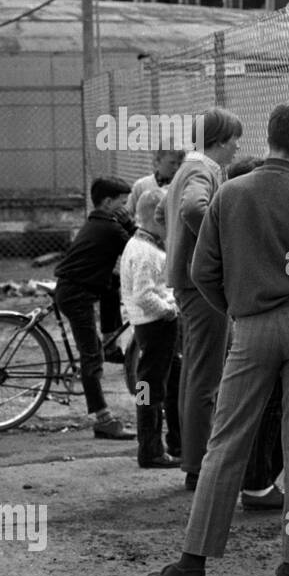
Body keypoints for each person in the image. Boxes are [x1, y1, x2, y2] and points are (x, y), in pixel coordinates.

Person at [146, 100, 289, 576]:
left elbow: (201, 271)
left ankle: (193, 563)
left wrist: (237, 308)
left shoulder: (230, 192)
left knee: (226, 441)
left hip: (249, 327)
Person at [161, 107, 242, 491]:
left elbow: (165, 212)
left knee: (197, 370)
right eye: (233, 140)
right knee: (206, 376)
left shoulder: (185, 169)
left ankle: (193, 458)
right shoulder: (203, 169)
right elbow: (194, 208)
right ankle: (198, 464)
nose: (238, 147)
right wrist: (219, 245)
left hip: (188, 283)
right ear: (219, 141)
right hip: (202, 286)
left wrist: (182, 246)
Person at [53, 176, 136, 440]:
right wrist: (130, 224)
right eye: (122, 204)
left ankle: (109, 342)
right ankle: (103, 420)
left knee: (113, 284)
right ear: (108, 202)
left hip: (72, 287)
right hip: (77, 295)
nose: (125, 208)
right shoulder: (111, 228)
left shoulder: (96, 221)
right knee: (91, 358)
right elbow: (137, 249)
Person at [224, 155, 285, 511]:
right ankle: (257, 484)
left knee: (255, 404)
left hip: (245, 320)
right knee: (267, 404)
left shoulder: (231, 221)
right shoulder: (256, 226)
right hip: (264, 325)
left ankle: (257, 478)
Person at [120, 186, 181, 468]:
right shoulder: (146, 251)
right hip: (155, 325)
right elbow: (144, 294)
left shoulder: (139, 243)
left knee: (163, 382)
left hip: (149, 325)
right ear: (159, 218)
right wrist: (169, 310)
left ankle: (170, 443)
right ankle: (151, 449)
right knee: (151, 387)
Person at [125, 147, 185, 218]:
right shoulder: (142, 185)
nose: (176, 167)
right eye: (172, 163)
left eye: (179, 164)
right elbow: (129, 213)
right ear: (158, 161)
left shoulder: (183, 187)